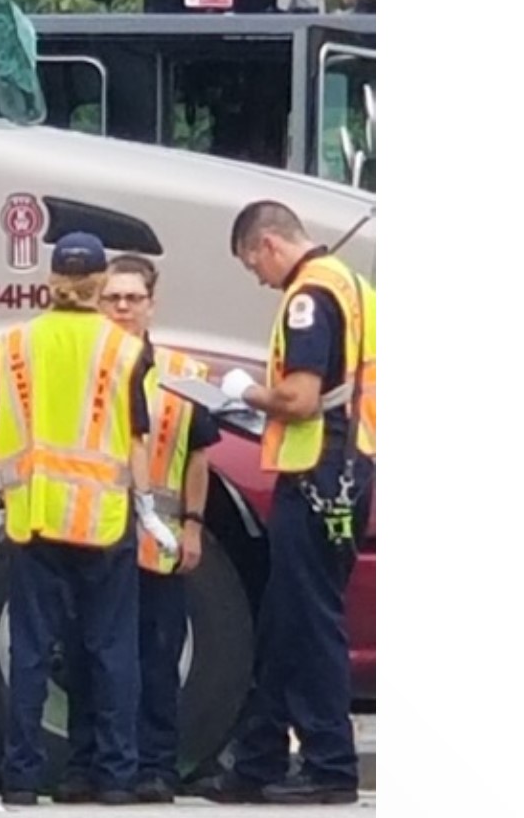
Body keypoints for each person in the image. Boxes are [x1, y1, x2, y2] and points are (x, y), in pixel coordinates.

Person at [0, 232, 165, 807]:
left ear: (50, 281)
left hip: (32, 517)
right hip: (104, 519)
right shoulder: (125, 350)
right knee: (112, 650)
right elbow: (135, 438)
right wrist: (148, 506)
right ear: (99, 285)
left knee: (30, 652)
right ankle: (114, 776)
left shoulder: (11, 344)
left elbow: (6, 429)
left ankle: (21, 780)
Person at [202, 200, 376, 806]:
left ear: (269, 244)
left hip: (318, 472)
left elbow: (301, 399)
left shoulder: (308, 298)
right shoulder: (352, 286)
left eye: (254, 264)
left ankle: (330, 766)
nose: (258, 277)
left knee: (310, 621)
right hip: (346, 466)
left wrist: (243, 393)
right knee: (284, 618)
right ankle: (257, 760)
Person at [59, 253, 222, 804]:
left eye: (133, 298)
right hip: (91, 535)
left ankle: (155, 768)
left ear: (152, 304)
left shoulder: (183, 376)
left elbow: (199, 457)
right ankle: (89, 766)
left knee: (156, 660)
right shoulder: (82, 369)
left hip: (159, 542)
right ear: (97, 301)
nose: (123, 307)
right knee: (86, 657)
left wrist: (194, 527)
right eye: (112, 297)